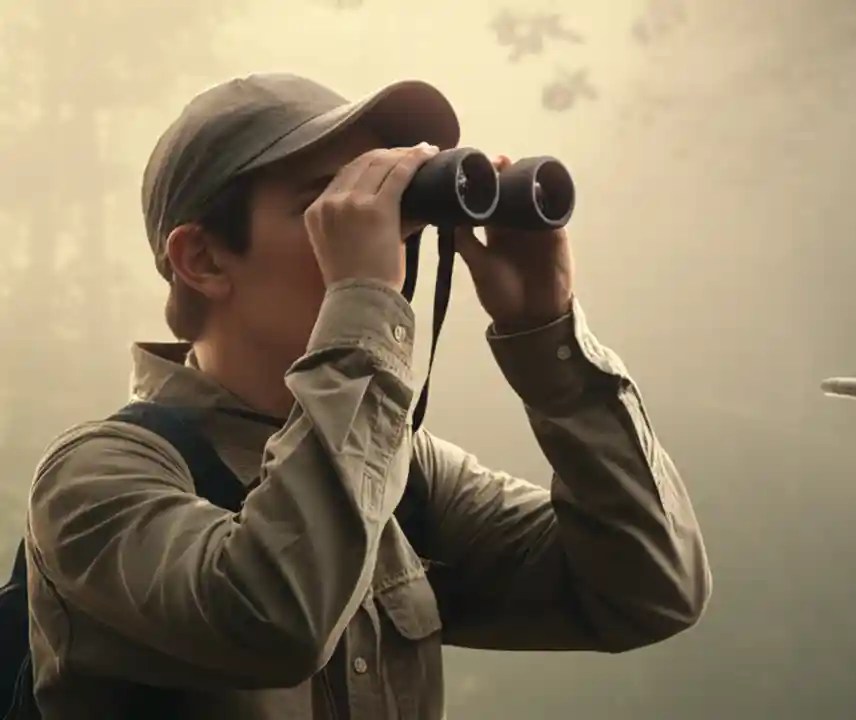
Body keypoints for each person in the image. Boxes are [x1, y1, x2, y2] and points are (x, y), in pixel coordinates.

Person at [20, 73, 711, 719]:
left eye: (388, 203)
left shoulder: (403, 475)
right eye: (328, 204)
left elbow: (650, 590)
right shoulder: (94, 482)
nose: (383, 235)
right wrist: (363, 305)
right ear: (201, 260)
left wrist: (546, 338)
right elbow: (276, 615)